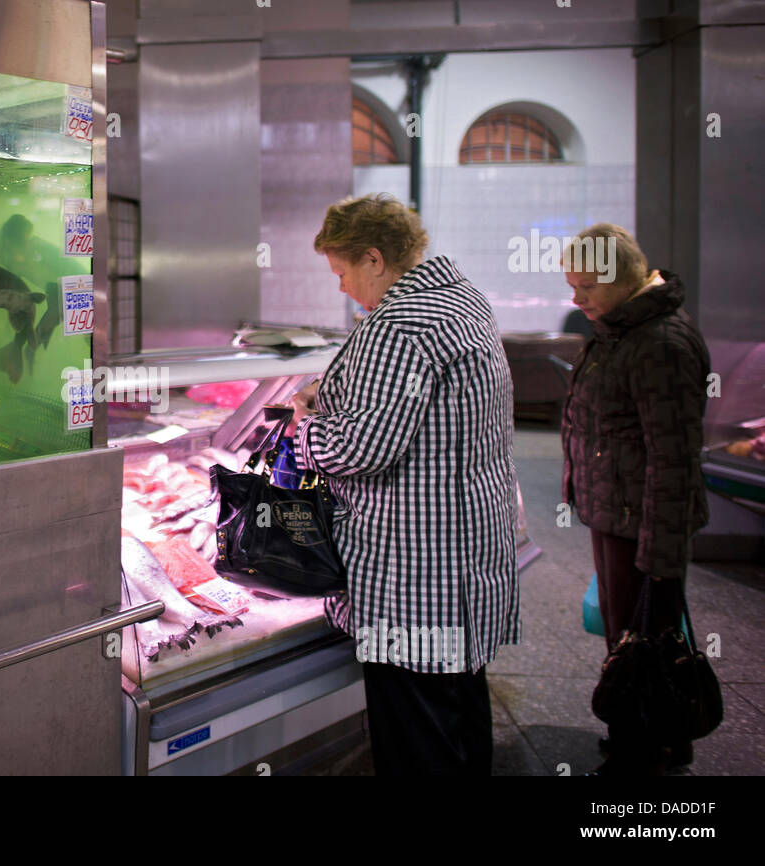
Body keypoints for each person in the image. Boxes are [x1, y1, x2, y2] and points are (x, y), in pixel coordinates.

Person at [287, 193, 520, 775]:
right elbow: (417, 414)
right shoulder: (463, 302)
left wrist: (305, 430)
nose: (341, 288)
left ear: (373, 258)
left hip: (412, 575)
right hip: (465, 553)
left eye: (342, 272)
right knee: (460, 713)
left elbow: (364, 448)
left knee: (415, 737)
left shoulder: (400, 325)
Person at [560, 223, 710, 775]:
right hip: (619, 510)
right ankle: (644, 735)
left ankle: (644, 754)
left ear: (621, 280)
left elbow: (673, 459)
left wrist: (660, 559)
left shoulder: (661, 343)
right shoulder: (626, 327)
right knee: (629, 636)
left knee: (645, 642)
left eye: (585, 288)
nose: (575, 300)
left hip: (642, 522)